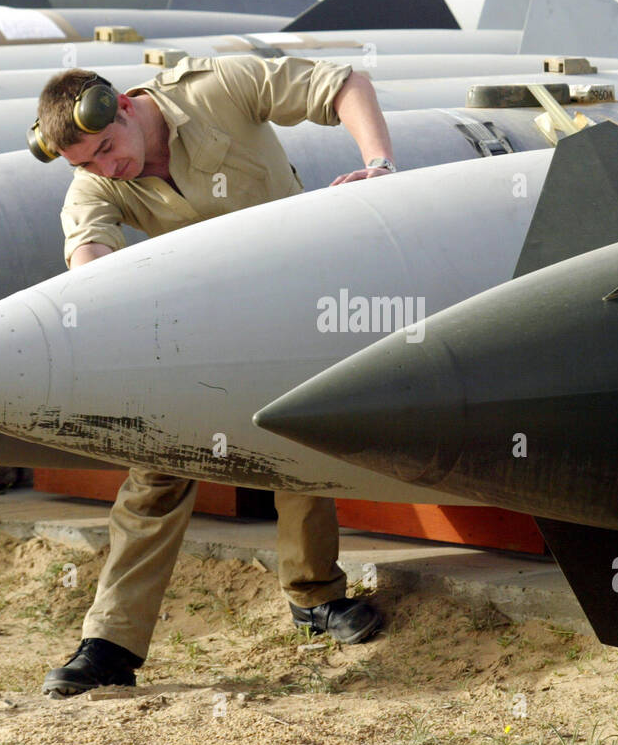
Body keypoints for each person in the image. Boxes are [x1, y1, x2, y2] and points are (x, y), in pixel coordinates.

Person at [28, 55, 397, 697]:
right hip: (206, 330)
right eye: (86, 163)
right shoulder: (96, 179)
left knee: (298, 440)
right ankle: (109, 644)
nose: (106, 168)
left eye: (108, 150)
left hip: (295, 301)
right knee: (157, 467)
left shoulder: (220, 87)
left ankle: (315, 596)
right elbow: (88, 248)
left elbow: (344, 85)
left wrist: (380, 168)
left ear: (124, 105)